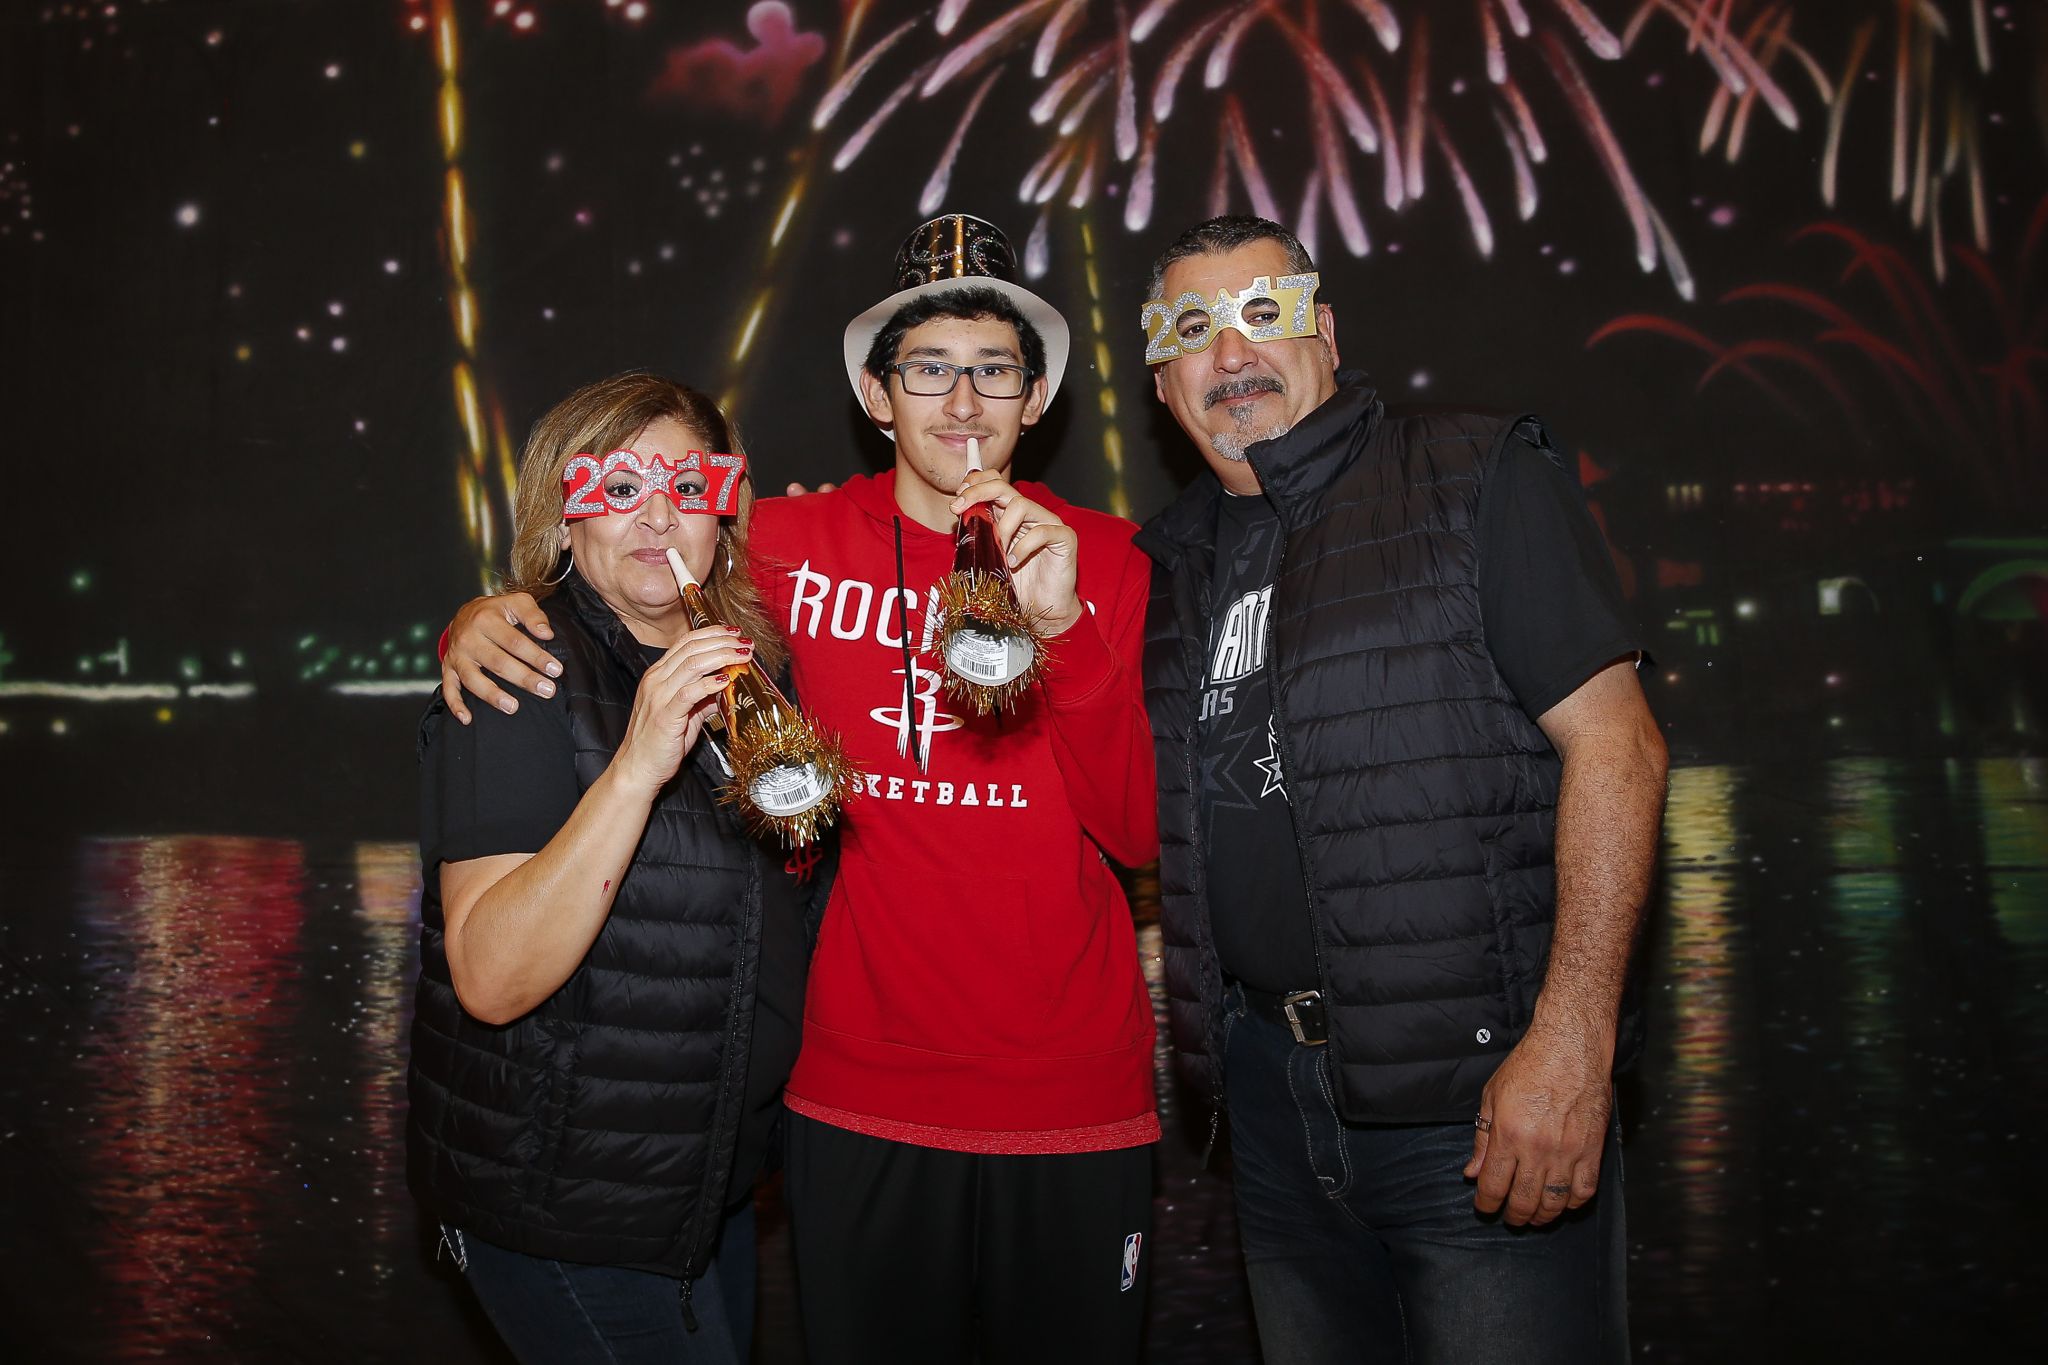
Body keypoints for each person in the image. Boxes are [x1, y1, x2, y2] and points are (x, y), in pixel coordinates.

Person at [438, 214, 1161, 1363]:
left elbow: (1136, 833)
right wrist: (487, 614)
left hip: (1067, 1093)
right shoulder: (773, 544)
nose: (961, 402)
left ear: (1035, 401)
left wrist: (1064, 627)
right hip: (849, 1093)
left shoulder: (1113, 559)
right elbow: (626, 559)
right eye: (928, 370)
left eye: (993, 371)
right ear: (878, 398)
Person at [1134, 215, 1669, 1363]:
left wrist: (1571, 1048)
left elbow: (1617, 749)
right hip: (1270, 1114)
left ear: (1322, 332)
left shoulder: (1470, 472)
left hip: (1478, 1109)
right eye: (1191, 328)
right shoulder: (1160, 567)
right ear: (1159, 380)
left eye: (1261, 314)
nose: (1230, 354)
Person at [407, 372, 822, 1364]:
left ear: (724, 513)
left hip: (703, 1189)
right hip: (566, 1207)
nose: (655, 515)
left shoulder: (755, 673)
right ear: (561, 521)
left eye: (686, 483)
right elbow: (492, 977)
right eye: (617, 486)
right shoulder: (522, 674)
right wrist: (638, 763)